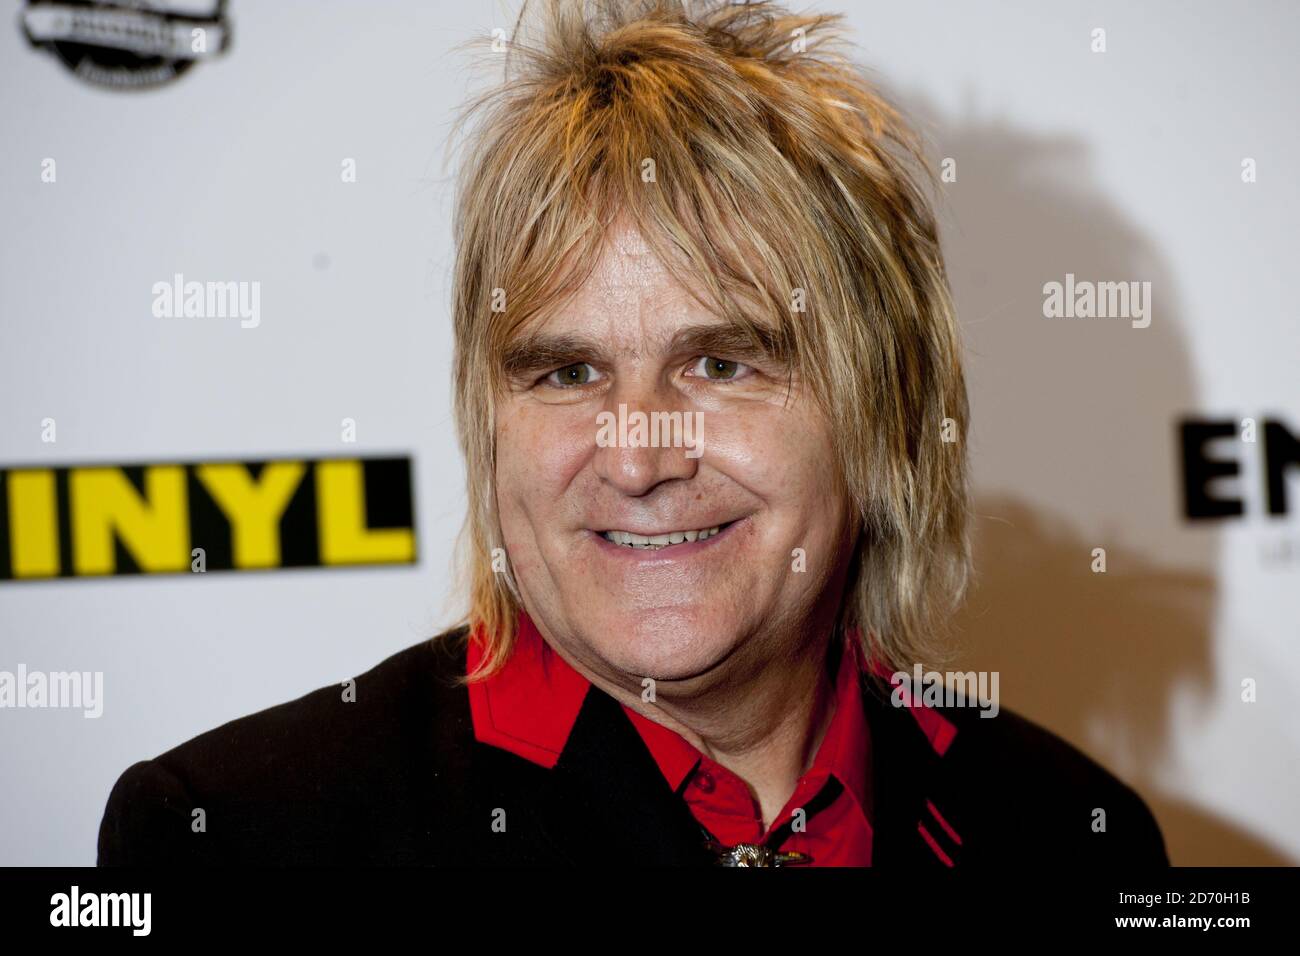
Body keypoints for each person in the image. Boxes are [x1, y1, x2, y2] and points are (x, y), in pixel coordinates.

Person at [98, 0, 1167, 867]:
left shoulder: (1074, 831)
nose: (638, 457)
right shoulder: (245, 843)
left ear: (883, 401)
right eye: (567, 371)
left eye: (720, 362)